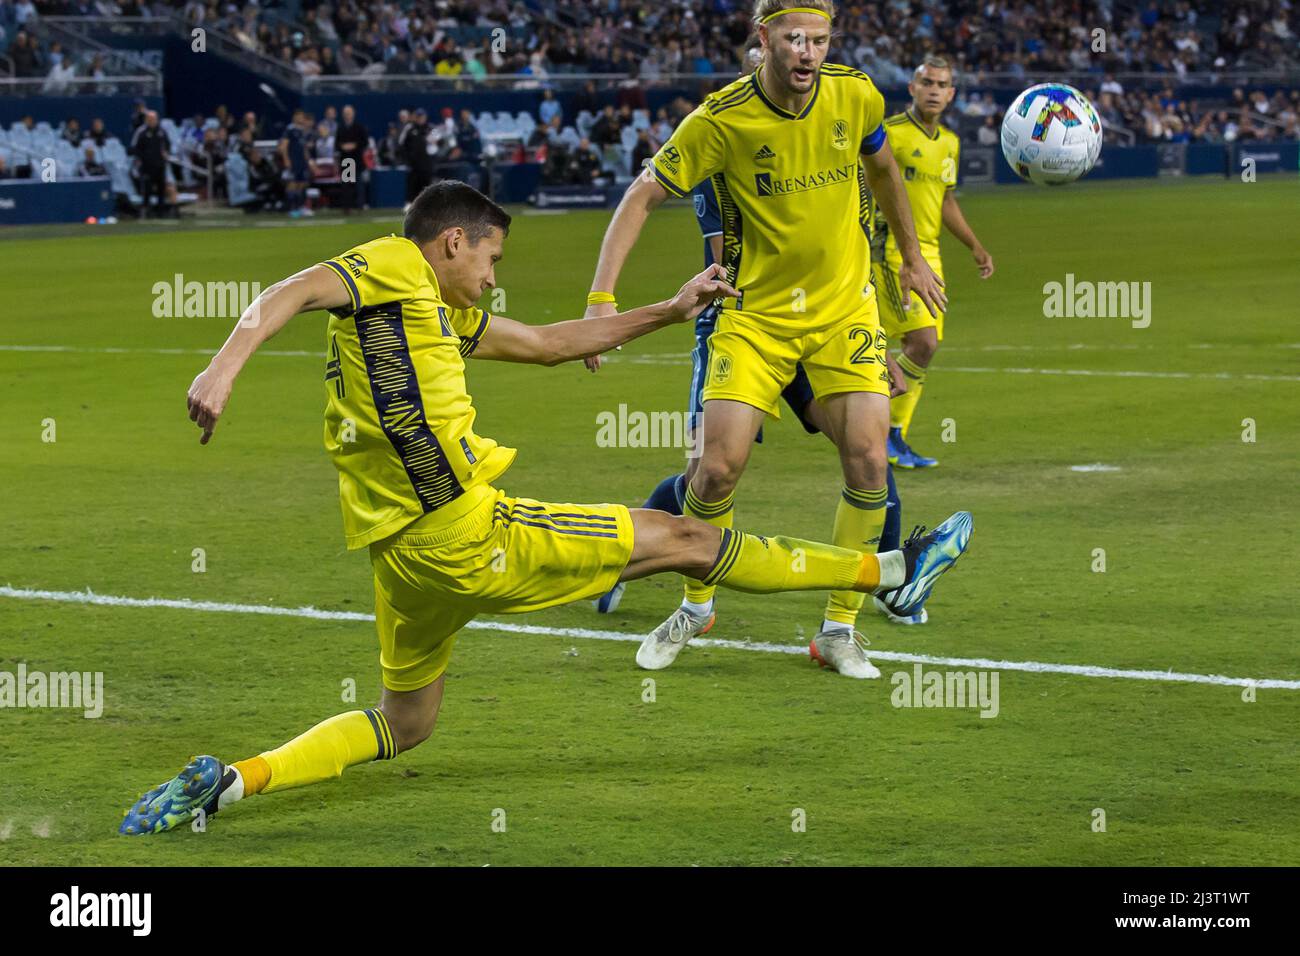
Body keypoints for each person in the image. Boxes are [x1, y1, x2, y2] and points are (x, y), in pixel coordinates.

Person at [119, 180, 969, 835]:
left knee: (404, 722)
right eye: (489, 260)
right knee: (682, 536)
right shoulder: (394, 265)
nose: (492, 277)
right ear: (451, 242)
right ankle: (890, 571)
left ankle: (231, 782)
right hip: (464, 533)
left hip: (400, 562)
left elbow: (551, 342)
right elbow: (294, 288)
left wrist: (669, 311)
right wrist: (221, 367)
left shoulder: (429, 314)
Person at [582, 1, 947, 677]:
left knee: (869, 459)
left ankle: (840, 628)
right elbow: (641, 194)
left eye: (819, 39)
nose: (807, 51)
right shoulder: (722, 119)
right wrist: (602, 299)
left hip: (843, 313)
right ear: (765, 38)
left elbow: (885, 170)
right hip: (754, 317)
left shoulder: (856, 95)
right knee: (716, 468)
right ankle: (695, 603)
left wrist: (912, 257)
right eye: (793, 38)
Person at [872, 55, 994, 469]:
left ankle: (890, 435)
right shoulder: (888, 133)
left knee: (922, 348)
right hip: (891, 251)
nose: (934, 91)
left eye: (942, 84)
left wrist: (974, 245)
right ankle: (879, 433)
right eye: (927, 82)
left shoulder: (949, 143)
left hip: (931, 254)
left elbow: (944, 201)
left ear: (952, 94)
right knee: (921, 342)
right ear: (912, 87)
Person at [129, 110, 170, 218]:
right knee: (147, 189)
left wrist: (166, 153)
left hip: (160, 165)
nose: (152, 121)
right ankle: (146, 211)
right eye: (150, 119)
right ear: (146, 120)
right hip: (146, 166)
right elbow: (135, 148)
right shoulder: (141, 132)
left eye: (154, 119)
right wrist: (141, 159)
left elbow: (167, 145)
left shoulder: (162, 131)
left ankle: (161, 211)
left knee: (161, 189)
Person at [335, 104, 369, 212]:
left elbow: (365, 142)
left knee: (359, 184)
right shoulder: (340, 128)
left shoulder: (359, 127)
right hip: (345, 160)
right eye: (345, 114)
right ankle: (346, 206)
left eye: (349, 113)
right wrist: (342, 146)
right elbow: (336, 144)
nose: (347, 115)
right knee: (346, 185)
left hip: (356, 159)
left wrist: (354, 145)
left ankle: (360, 206)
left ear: (353, 114)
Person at [399, 106, 435, 205]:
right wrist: (407, 158)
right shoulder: (409, 128)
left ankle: (427, 205)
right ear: (415, 117)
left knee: (426, 184)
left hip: (427, 162)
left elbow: (438, 144)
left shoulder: (430, 128)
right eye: (418, 116)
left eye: (422, 116)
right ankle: (410, 203)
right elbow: (401, 144)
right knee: (413, 183)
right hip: (413, 163)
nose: (420, 119)